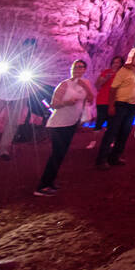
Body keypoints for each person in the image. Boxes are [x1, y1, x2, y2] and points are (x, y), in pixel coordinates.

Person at [35, 59, 95, 196]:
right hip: (59, 123)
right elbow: (53, 104)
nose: (77, 69)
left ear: (84, 70)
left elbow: (91, 99)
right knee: (56, 153)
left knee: (61, 154)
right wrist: (66, 103)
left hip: (71, 123)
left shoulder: (86, 83)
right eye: (75, 67)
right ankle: (42, 186)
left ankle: (50, 182)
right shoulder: (64, 84)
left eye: (80, 67)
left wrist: (84, 87)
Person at [95, 49, 135, 169]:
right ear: (133, 56)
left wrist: (131, 67)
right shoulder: (123, 71)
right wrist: (112, 105)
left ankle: (115, 157)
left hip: (132, 105)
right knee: (112, 131)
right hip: (120, 104)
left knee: (125, 132)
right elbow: (113, 89)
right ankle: (101, 159)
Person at [92, 55, 122, 133]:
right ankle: (93, 141)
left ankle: (109, 141)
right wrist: (106, 79)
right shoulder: (106, 72)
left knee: (112, 123)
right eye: (114, 62)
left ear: (121, 64)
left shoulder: (122, 74)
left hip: (115, 101)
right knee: (99, 122)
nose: (115, 64)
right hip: (102, 100)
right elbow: (97, 85)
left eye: (118, 62)